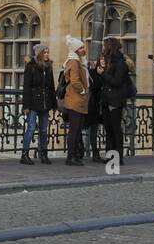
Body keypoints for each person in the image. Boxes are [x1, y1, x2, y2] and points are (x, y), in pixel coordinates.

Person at [21, 44, 56, 165]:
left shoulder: (48, 67)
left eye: (48, 52)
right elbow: (26, 87)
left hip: (45, 102)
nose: (47, 54)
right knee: (31, 128)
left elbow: (51, 86)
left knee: (43, 130)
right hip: (33, 102)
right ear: (39, 54)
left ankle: (43, 153)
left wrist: (54, 103)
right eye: (44, 52)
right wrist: (25, 105)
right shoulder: (31, 67)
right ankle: (25, 154)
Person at [98, 37, 129, 165]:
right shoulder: (110, 61)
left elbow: (117, 81)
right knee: (109, 129)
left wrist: (103, 74)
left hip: (115, 100)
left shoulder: (120, 63)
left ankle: (118, 157)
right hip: (106, 100)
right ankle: (110, 155)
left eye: (106, 46)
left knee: (115, 129)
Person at [61, 37, 91, 165]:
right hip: (75, 99)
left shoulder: (78, 61)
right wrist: (83, 90)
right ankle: (71, 156)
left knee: (77, 128)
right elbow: (74, 80)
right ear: (76, 50)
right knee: (74, 129)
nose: (84, 50)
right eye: (81, 48)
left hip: (77, 99)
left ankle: (74, 154)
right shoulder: (74, 61)